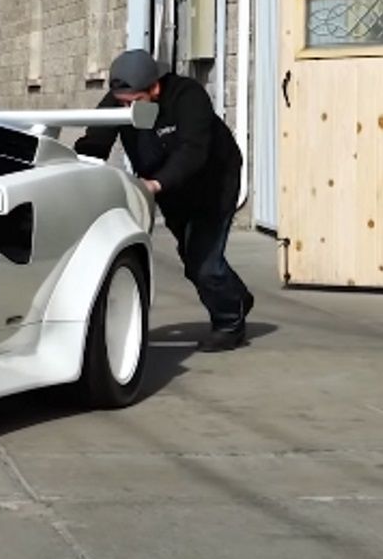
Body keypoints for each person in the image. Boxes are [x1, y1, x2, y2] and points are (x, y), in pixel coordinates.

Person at [75, 48, 254, 352]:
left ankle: (228, 323)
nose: (126, 110)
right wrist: (78, 171)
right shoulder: (120, 99)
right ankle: (236, 298)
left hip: (213, 183)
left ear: (154, 87)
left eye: (133, 103)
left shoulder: (188, 97)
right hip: (168, 189)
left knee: (204, 264)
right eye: (121, 104)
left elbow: (192, 151)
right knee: (191, 258)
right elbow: (96, 140)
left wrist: (156, 183)